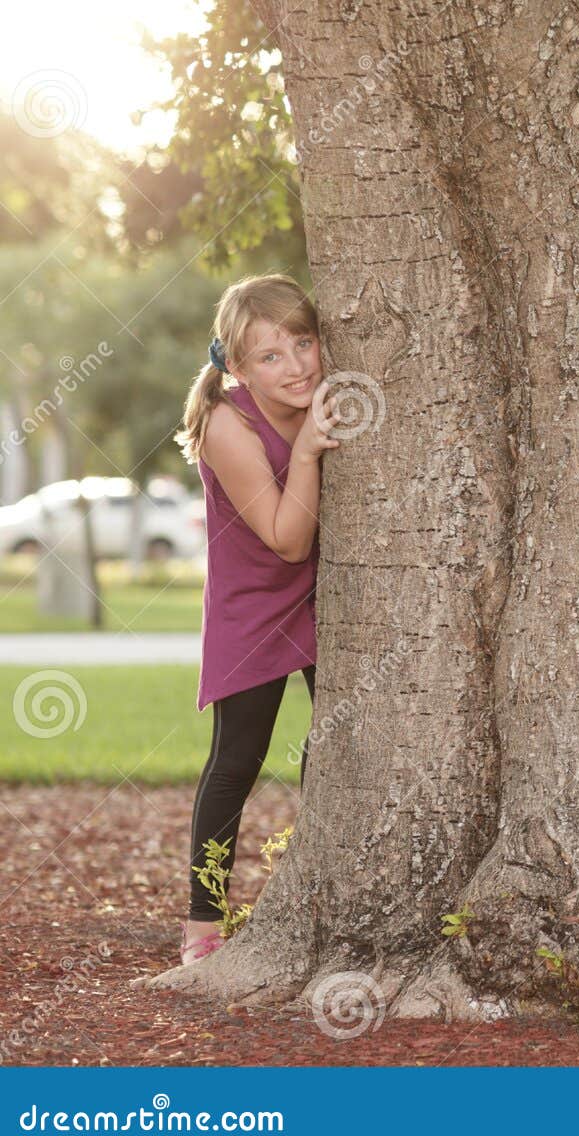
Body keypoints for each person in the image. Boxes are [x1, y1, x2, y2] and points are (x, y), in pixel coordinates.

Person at [172, 273, 338, 965]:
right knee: (236, 760)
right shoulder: (226, 423)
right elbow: (286, 538)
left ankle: (316, 882)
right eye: (271, 356)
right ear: (237, 367)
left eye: (303, 342)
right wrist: (304, 450)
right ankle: (202, 922)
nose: (296, 365)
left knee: (334, 744)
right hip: (254, 603)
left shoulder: (332, 394)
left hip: (330, 598)